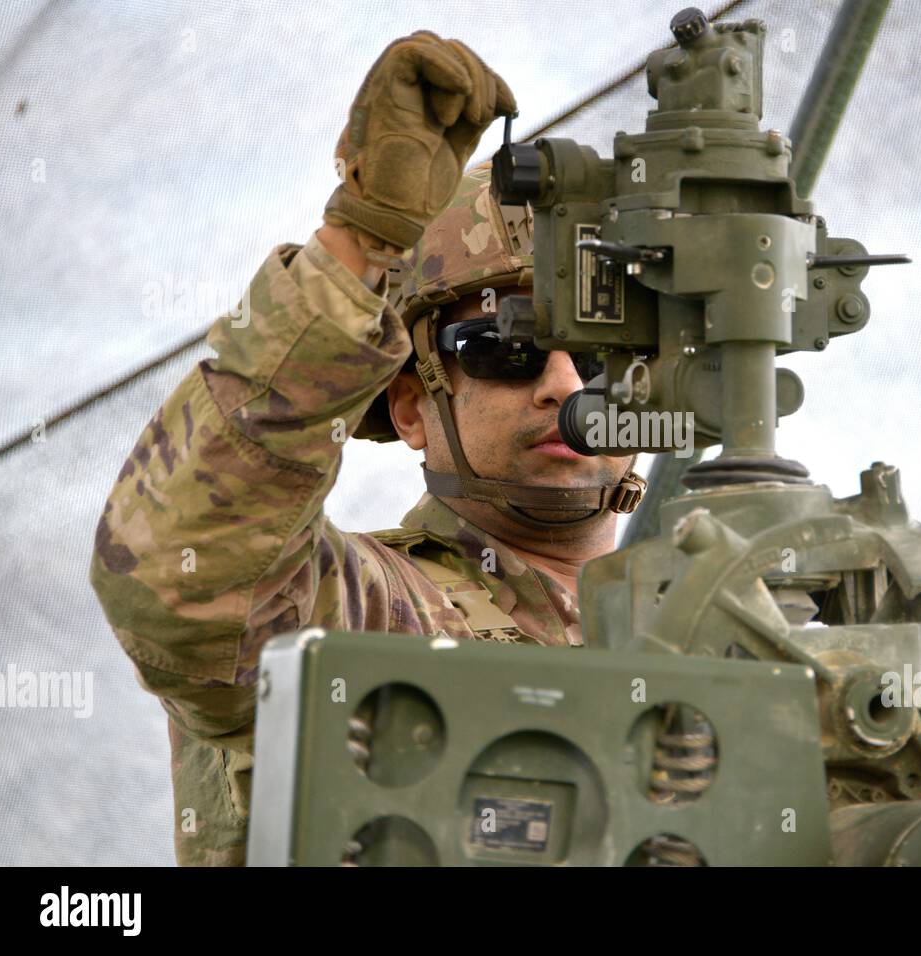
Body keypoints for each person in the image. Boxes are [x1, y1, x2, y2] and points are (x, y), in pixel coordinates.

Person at [89, 30, 645, 866]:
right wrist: (361, 242)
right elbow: (174, 573)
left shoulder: (717, 629)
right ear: (416, 407)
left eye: (603, 356)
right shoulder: (356, 614)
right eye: (505, 347)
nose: (566, 387)